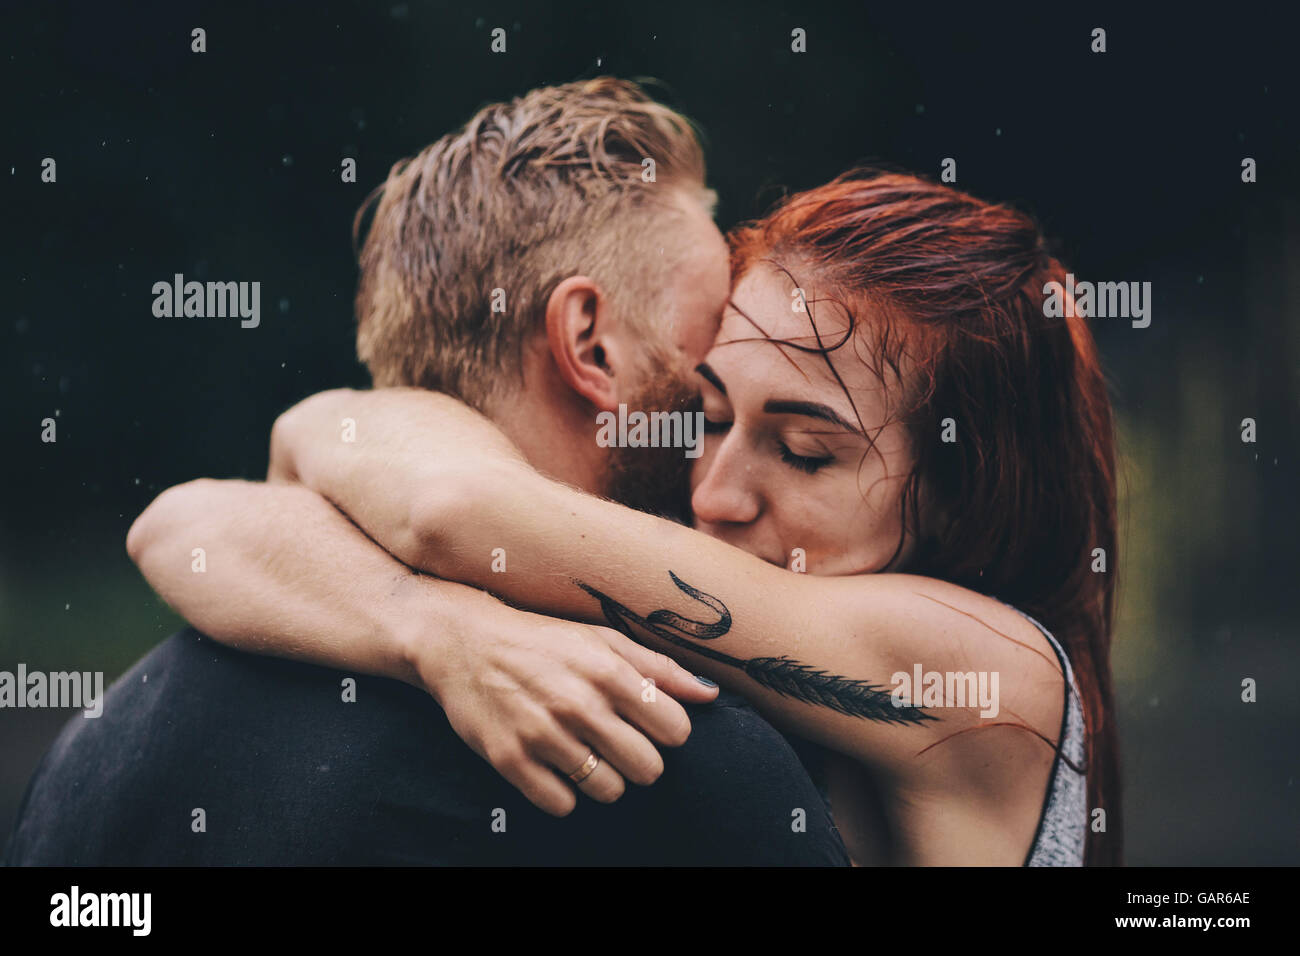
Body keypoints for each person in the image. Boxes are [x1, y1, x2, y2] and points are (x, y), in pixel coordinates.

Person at [121, 170, 1124, 865]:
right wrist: (436, 628)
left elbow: (446, 506)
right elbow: (185, 529)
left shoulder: (988, 671)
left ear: (965, 489)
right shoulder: (772, 627)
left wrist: (329, 422)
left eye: (806, 451)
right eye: (711, 417)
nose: (716, 493)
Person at [3, 78, 850, 867]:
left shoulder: (109, 735)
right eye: (709, 338)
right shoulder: (661, 742)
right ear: (590, 342)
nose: (727, 385)